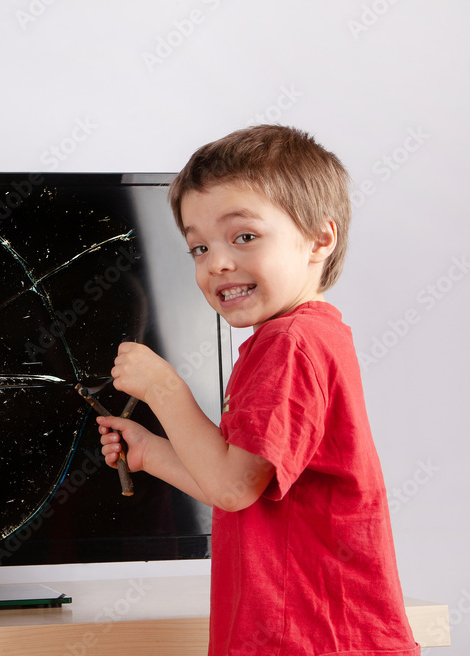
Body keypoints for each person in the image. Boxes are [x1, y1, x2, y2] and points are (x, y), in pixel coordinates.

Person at [98, 125, 419, 655]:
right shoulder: (300, 337)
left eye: (243, 236)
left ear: (320, 238)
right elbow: (243, 484)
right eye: (198, 247)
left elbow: (232, 489)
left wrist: (164, 388)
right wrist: (153, 452)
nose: (217, 262)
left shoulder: (290, 344)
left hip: (312, 640)